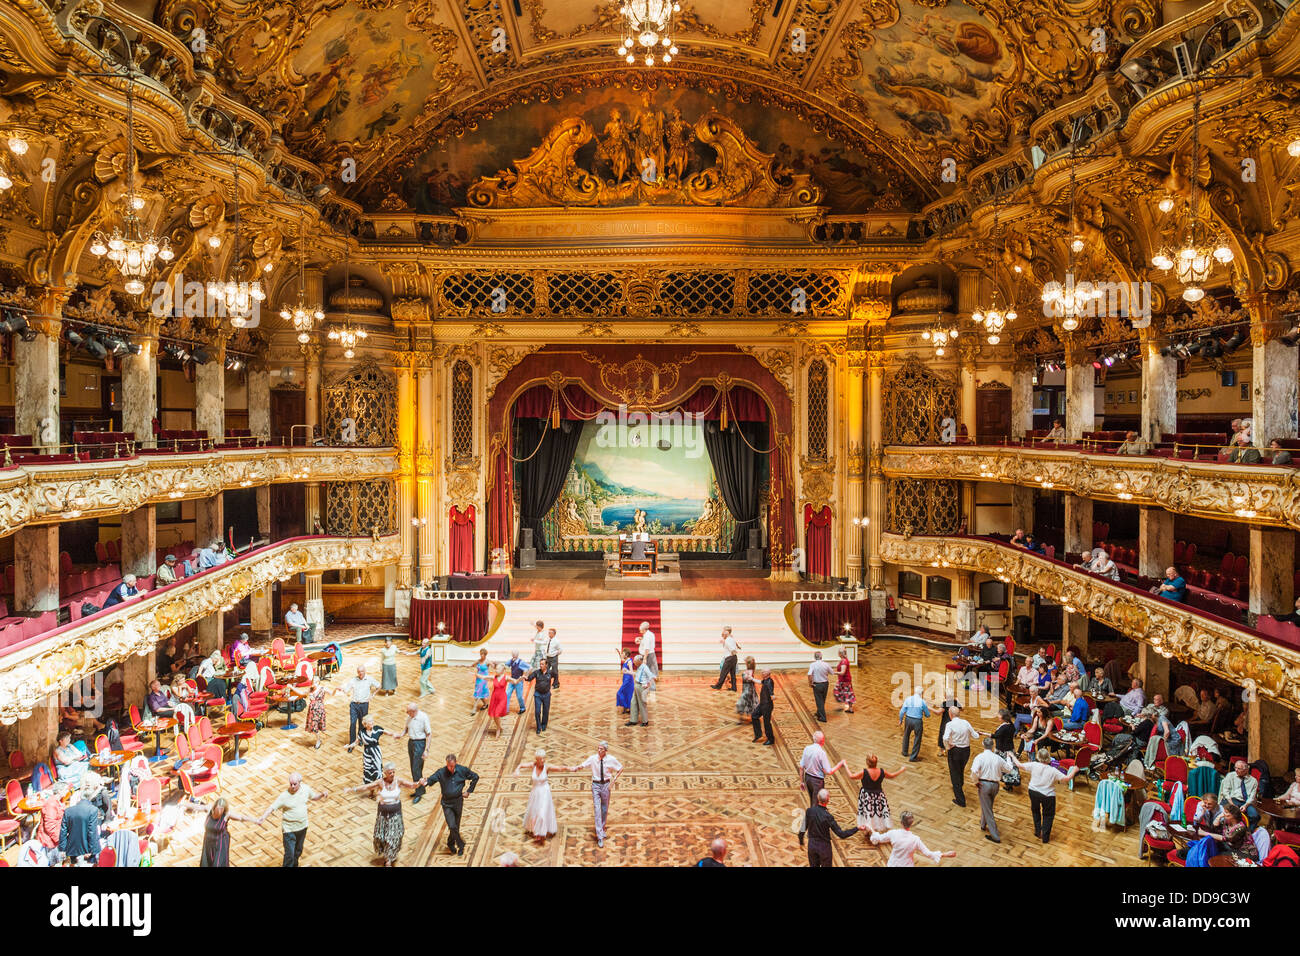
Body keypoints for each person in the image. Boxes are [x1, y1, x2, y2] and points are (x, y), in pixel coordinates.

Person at [348, 762, 417, 866]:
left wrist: (420, 783)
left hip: (395, 814)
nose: (392, 774)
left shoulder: (398, 781)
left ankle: (388, 860)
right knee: (383, 837)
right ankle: (387, 855)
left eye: (393, 772)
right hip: (383, 816)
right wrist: (353, 789)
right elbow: (367, 787)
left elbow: (412, 785)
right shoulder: (380, 782)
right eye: (390, 773)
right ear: (385, 773)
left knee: (393, 836)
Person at [559, 741, 623, 848]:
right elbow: (583, 765)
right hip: (596, 786)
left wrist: (613, 782)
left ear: (606, 751)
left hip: (606, 786)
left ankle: (602, 829)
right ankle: (599, 836)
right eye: (598, 748)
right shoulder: (593, 758)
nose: (599, 750)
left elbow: (620, 768)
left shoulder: (611, 759)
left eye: (601, 749)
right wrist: (575, 768)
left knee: (604, 809)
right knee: (597, 809)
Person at [257, 772, 329, 867]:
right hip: (289, 830)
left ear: (300, 782)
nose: (292, 786)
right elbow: (272, 807)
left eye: (295, 784)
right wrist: (263, 817)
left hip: (302, 827)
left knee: (297, 852)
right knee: (289, 855)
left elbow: (314, 797)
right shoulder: (284, 796)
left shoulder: (306, 789)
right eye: (291, 784)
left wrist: (321, 794)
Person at [1012, 748, 1078, 844]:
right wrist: (1074, 770)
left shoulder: (1034, 765)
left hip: (1033, 792)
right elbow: (1067, 778)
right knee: (1048, 815)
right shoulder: (1053, 770)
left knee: (1035, 811)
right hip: (1048, 795)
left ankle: (1038, 831)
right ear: (1048, 758)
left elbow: (1019, 765)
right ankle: (1045, 837)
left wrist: (1012, 756)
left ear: (1038, 757)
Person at [419, 754, 478, 856]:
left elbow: (475, 777)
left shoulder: (462, 770)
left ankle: (451, 843)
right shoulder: (441, 772)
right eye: (448, 766)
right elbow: (431, 779)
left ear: (455, 763)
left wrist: (469, 791)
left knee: (455, 826)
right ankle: (461, 844)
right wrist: (425, 782)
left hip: (458, 801)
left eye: (452, 766)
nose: (450, 768)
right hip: (447, 804)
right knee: (451, 825)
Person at [868, 810, 956, 867]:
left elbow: (878, 838)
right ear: (912, 823)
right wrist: (946, 854)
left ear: (901, 822)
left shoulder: (893, 833)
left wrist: (870, 828)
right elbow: (928, 853)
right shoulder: (915, 840)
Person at [798, 788, 859, 867]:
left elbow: (802, 829)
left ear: (818, 798)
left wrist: (801, 842)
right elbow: (841, 834)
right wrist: (857, 828)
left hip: (812, 845)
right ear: (828, 800)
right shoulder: (828, 817)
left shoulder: (810, 811)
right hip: (824, 848)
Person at [848, 754, 906, 831]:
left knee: (867, 812)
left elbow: (852, 776)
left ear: (867, 762)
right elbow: (892, 776)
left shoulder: (864, 772)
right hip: (878, 795)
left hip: (866, 796)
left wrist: (845, 765)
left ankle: (868, 828)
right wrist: (901, 770)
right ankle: (875, 827)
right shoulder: (882, 771)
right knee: (878, 812)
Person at [969, 737, 1008, 843]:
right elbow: (1008, 769)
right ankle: (982, 824)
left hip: (984, 785)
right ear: (993, 746)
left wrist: (975, 781)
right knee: (987, 805)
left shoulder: (979, 757)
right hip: (995, 785)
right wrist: (1009, 758)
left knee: (988, 809)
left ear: (983, 745)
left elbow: (974, 772)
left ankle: (995, 836)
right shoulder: (997, 758)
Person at [515, 749, 558, 843]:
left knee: (542, 813)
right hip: (535, 793)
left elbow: (560, 768)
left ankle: (540, 832)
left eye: (543, 758)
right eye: (540, 759)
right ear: (537, 759)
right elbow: (521, 765)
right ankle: (537, 831)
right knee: (534, 813)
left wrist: (573, 769)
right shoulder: (533, 765)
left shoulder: (547, 767)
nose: (542, 760)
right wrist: (517, 770)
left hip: (545, 793)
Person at [942, 704, 979, 807]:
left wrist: (948, 747)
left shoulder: (949, 725)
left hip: (955, 751)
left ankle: (960, 800)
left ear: (950, 714)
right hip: (966, 751)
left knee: (954, 773)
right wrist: (978, 733)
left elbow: (945, 738)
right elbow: (975, 736)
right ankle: (960, 784)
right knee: (960, 769)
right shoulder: (966, 722)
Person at [798, 730, 843, 808]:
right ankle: (813, 818)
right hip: (817, 781)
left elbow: (801, 767)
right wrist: (839, 765)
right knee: (816, 804)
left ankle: (811, 816)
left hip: (807, 778)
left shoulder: (807, 749)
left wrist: (801, 782)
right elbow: (828, 771)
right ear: (822, 741)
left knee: (812, 800)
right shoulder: (821, 753)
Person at [399, 702, 432, 803]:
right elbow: (406, 728)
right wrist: (400, 735)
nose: (406, 713)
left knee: (416, 768)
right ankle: (419, 788)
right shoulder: (410, 717)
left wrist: (426, 750)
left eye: (408, 711)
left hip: (419, 744)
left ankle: (419, 792)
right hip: (411, 743)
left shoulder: (423, 717)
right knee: (414, 768)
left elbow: (429, 734)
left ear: (414, 711)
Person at [341, 665, 379, 746]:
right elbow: (347, 690)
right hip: (354, 705)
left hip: (364, 704)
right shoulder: (353, 680)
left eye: (361, 671)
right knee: (353, 723)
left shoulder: (369, 679)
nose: (360, 673)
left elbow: (379, 686)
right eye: (358, 672)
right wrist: (342, 689)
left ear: (365, 671)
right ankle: (352, 743)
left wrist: (373, 695)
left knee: (362, 724)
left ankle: (361, 739)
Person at [1219, 759, 1260, 826]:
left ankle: (1248, 832)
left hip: (1245, 802)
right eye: (1235, 768)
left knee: (1255, 816)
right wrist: (1232, 804)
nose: (1236, 770)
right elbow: (1225, 791)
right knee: (1230, 814)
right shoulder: (1230, 776)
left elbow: (1252, 797)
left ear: (1246, 770)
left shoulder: (1253, 781)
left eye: (1239, 769)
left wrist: (1245, 805)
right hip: (1231, 799)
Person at [353, 714, 390, 785]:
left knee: (378, 769)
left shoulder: (377, 729)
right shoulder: (362, 733)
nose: (372, 722)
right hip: (367, 754)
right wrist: (349, 746)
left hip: (376, 753)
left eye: (372, 721)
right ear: (365, 724)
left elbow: (387, 732)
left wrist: (396, 735)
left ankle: (380, 788)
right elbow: (356, 742)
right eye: (370, 721)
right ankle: (371, 790)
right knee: (368, 771)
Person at [898, 687, 931, 761]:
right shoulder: (922, 702)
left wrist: (900, 720)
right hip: (917, 722)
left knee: (906, 735)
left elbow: (902, 711)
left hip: (908, 719)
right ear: (921, 693)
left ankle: (904, 752)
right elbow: (928, 715)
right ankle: (913, 757)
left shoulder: (908, 699)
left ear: (914, 692)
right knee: (917, 738)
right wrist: (926, 714)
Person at [524, 658, 555, 733]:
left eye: (542, 664)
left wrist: (554, 684)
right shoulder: (536, 672)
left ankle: (544, 725)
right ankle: (538, 726)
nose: (540, 665)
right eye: (540, 664)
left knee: (546, 711)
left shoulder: (550, 673)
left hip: (547, 695)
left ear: (546, 665)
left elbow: (556, 677)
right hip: (538, 694)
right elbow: (528, 678)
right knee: (537, 711)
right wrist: (527, 674)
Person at [486, 663, 517, 737]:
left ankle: (498, 729)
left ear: (502, 670)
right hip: (494, 698)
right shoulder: (494, 677)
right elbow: (485, 677)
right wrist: (476, 675)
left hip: (502, 698)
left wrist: (520, 679)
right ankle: (499, 727)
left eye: (498, 669)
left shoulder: (506, 677)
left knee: (497, 713)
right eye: (496, 669)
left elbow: (515, 681)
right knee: (494, 715)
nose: (496, 670)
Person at [628, 652, 655, 726]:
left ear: (639, 661)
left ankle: (645, 721)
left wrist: (648, 685)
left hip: (641, 687)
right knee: (633, 702)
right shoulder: (639, 667)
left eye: (635, 661)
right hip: (636, 685)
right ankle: (633, 720)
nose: (633, 662)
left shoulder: (645, 667)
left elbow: (651, 676)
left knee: (642, 704)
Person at [711, 626, 740, 691]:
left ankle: (718, 686)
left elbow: (732, 649)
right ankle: (734, 688)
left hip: (729, 658)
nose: (723, 634)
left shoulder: (727, 640)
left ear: (727, 633)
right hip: (734, 658)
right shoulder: (731, 639)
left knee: (723, 672)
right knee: (733, 674)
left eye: (724, 632)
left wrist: (733, 652)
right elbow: (735, 644)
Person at [751, 669, 775, 745]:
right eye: (762, 672)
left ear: (768, 674)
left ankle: (771, 739)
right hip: (762, 704)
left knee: (766, 723)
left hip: (767, 706)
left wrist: (772, 695)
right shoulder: (765, 680)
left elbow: (770, 689)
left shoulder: (769, 681)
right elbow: (760, 682)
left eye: (763, 672)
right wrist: (752, 679)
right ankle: (758, 735)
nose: (762, 673)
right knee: (754, 716)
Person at [807, 650, 833, 722]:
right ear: (821, 657)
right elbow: (832, 672)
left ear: (815, 657)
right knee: (822, 700)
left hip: (817, 685)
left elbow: (809, 674)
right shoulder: (826, 664)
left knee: (819, 701)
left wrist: (810, 683)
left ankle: (823, 717)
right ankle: (819, 713)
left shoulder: (813, 665)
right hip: (825, 684)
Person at [304, 677, 328, 750]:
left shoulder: (322, 689)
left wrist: (336, 689)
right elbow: (302, 693)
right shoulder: (310, 689)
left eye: (314, 681)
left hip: (319, 710)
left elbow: (332, 693)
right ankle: (319, 739)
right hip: (312, 710)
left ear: (318, 682)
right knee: (313, 727)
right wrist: (292, 687)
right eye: (312, 681)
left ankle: (318, 740)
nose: (313, 683)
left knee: (315, 726)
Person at [832, 646, 856, 714]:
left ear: (840, 654)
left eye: (838, 652)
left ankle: (848, 706)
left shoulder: (844, 662)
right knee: (847, 693)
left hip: (845, 680)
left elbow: (842, 672)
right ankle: (849, 706)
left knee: (845, 693)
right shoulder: (843, 660)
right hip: (844, 680)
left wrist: (834, 673)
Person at [734, 655, 757, 720]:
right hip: (747, 688)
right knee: (747, 703)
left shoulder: (750, 672)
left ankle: (743, 718)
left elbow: (749, 678)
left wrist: (747, 677)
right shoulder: (750, 670)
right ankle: (744, 717)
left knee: (743, 702)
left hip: (748, 690)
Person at [507, 649, 528, 714]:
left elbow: (529, 667)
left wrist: (525, 675)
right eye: (513, 654)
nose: (513, 655)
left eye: (515, 654)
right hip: (512, 680)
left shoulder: (521, 662)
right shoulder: (511, 661)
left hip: (519, 681)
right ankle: (505, 709)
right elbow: (505, 665)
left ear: (517, 655)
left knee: (519, 696)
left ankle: (522, 708)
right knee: (507, 694)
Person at [616, 647, 635, 715]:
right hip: (625, 679)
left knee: (620, 692)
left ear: (626, 654)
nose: (622, 654)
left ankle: (627, 707)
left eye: (622, 653)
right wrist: (618, 653)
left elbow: (632, 672)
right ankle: (626, 707)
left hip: (628, 680)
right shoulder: (626, 660)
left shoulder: (629, 661)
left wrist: (627, 672)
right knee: (625, 693)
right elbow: (621, 658)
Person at [472, 648, 490, 713]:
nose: (481, 655)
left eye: (482, 654)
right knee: (480, 693)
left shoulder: (487, 661)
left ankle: (474, 709)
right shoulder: (478, 661)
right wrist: (474, 665)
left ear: (485, 655)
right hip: (478, 678)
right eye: (480, 654)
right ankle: (485, 704)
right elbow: (473, 665)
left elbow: (493, 666)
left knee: (478, 692)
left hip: (484, 678)